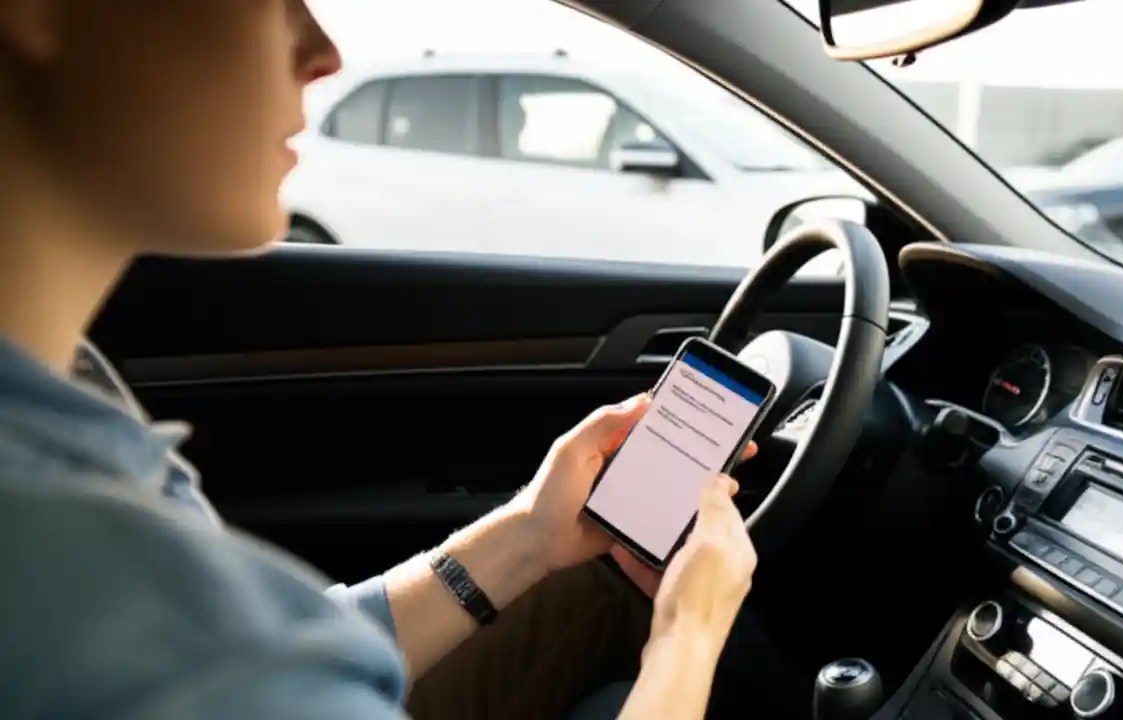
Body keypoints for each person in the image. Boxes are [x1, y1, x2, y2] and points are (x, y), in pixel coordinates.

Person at [0, 1, 761, 718]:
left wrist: (530, 532)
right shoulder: (100, 588)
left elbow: (285, 650)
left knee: (586, 590)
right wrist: (688, 635)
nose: (323, 53)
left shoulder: (65, 394)